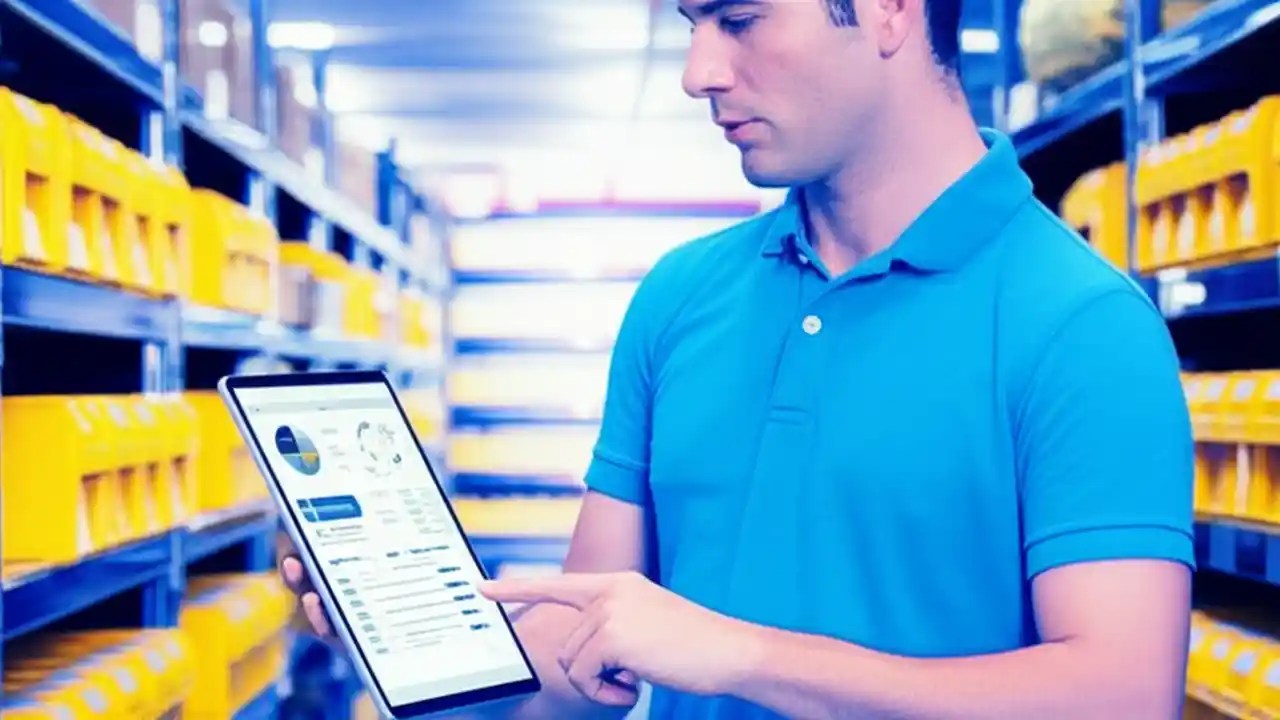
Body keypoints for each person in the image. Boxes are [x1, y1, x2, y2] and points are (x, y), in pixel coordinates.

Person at [283, 0, 1195, 717]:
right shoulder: (681, 296)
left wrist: (742, 655)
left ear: (889, 9)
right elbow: (578, 661)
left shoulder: (1082, 325)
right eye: (693, 24)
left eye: (741, 18)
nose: (698, 73)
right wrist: (419, 639)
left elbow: (1121, 699)